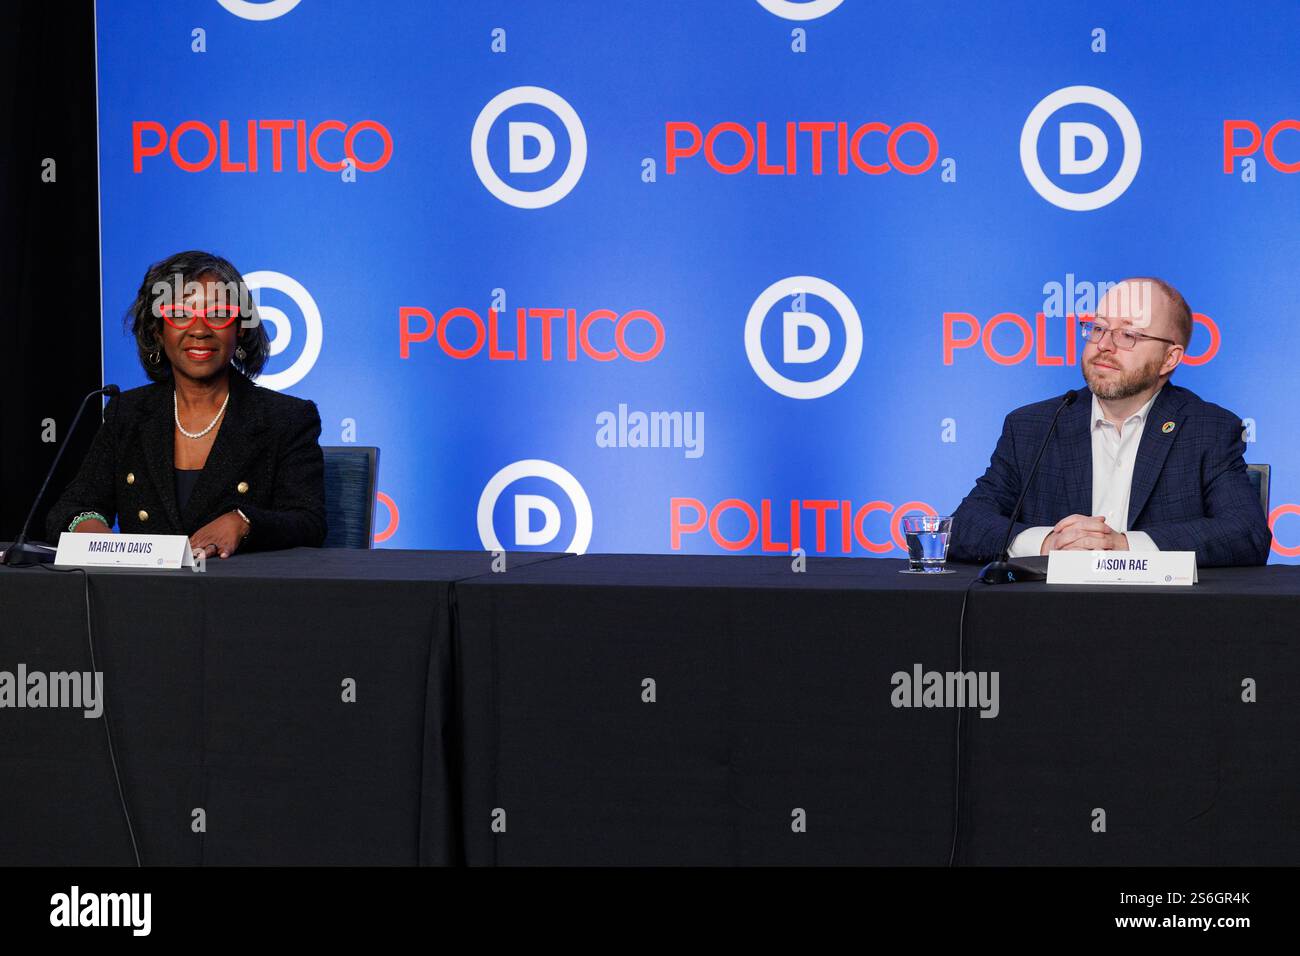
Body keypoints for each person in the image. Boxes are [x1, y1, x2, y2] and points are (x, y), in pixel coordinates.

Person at [948, 277, 1271, 568]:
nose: (1104, 345)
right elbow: (964, 525)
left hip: (1166, 621)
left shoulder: (1207, 429)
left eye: (1128, 334)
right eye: (1098, 329)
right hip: (1048, 620)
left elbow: (1246, 532)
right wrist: (1047, 544)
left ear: (1169, 359)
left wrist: (1122, 546)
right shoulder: (1034, 426)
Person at [45, 250, 326, 558]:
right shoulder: (126, 412)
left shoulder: (287, 418)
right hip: (138, 598)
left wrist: (244, 522)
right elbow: (72, 508)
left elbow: (308, 521)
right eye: (180, 314)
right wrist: (98, 539)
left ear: (240, 326)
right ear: (157, 330)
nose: (199, 329)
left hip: (241, 598)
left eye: (217, 313)